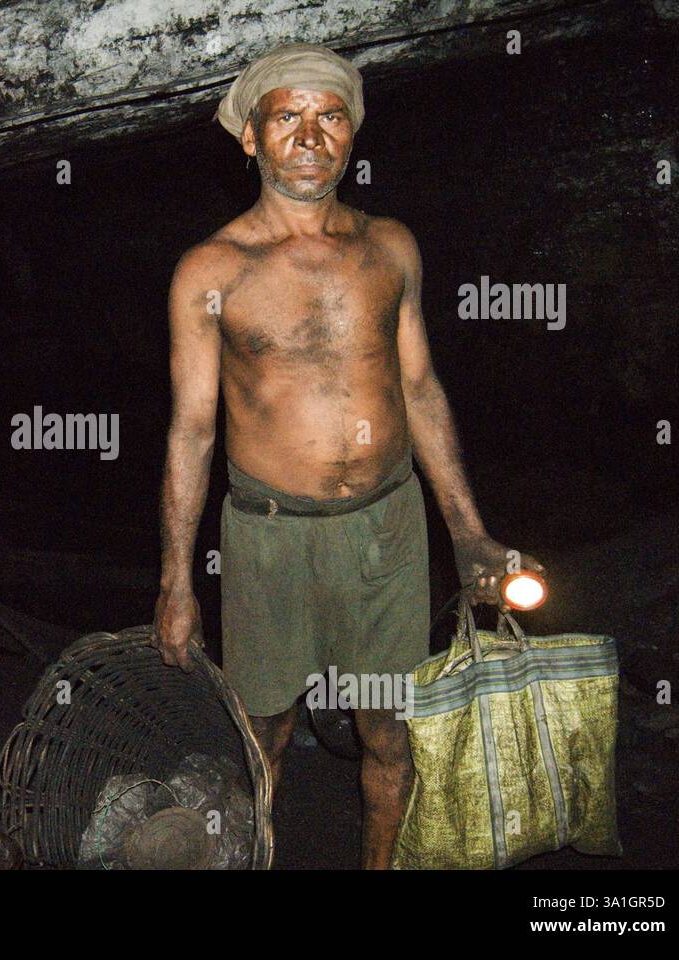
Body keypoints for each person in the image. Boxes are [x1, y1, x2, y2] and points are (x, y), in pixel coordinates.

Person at [151, 43, 543, 868]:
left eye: (329, 117)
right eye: (286, 117)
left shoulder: (390, 247)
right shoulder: (210, 269)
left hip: (386, 532)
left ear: (352, 136)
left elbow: (422, 389)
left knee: (392, 732)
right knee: (262, 733)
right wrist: (176, 583)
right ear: (252, 138)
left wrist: (468, 531)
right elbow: (192, 429)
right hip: (267, 536)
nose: (310, 136)